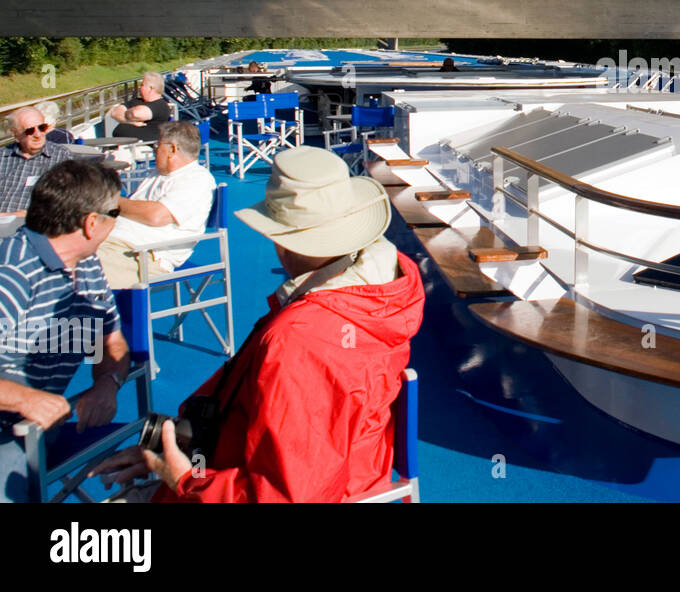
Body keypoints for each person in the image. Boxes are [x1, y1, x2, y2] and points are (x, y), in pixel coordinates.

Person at [94, 146, 425, 502]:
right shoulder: (383, 285)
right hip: (355, 466)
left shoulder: (302, 337)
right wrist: (180, 443)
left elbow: (288, 494)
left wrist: (183, 477)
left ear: (278, 239)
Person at [0, 160, 131, 502]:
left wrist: (108, 383)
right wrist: (28, 399)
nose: (118, 221)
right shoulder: (12, 274)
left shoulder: (86, 263)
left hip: (39, 428)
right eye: (115, 211)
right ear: (91, 223)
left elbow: (111, 340)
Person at [95, 122, 216, 290]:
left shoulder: (196, 179)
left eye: (156, 146)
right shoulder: (157, 174)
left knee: (74, 273)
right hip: (111, 243)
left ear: (172, 149)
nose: (154, 150)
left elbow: (156, 216)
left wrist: (111, 201)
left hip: (143, 257)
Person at [0, 107, 76, 217]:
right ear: (15, 134)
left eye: (42, 127)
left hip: (36, 226)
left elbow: (67, 202)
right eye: (30, 131)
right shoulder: (2, 157)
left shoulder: (61, 156)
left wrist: (21, 215)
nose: (38, 134)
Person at [107, 72, 171, 143]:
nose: (139, 87)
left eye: (142, 85)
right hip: (124, 145)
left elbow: (136, 114)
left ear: (150, 88)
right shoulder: (136, 101)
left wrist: (123, 115)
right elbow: (115, 112)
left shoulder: (161, 106)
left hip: (144, 147)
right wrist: (129, 121)